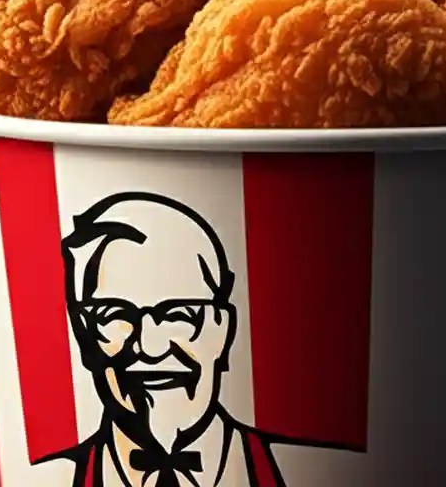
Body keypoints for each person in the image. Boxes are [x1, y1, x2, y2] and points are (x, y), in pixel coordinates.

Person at [44, 192, 285, 487]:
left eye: (180, 315)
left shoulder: (309, 469)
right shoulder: (43, 479)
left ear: (223, 329)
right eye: (115, 314)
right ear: (83, 333)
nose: (150, 346)